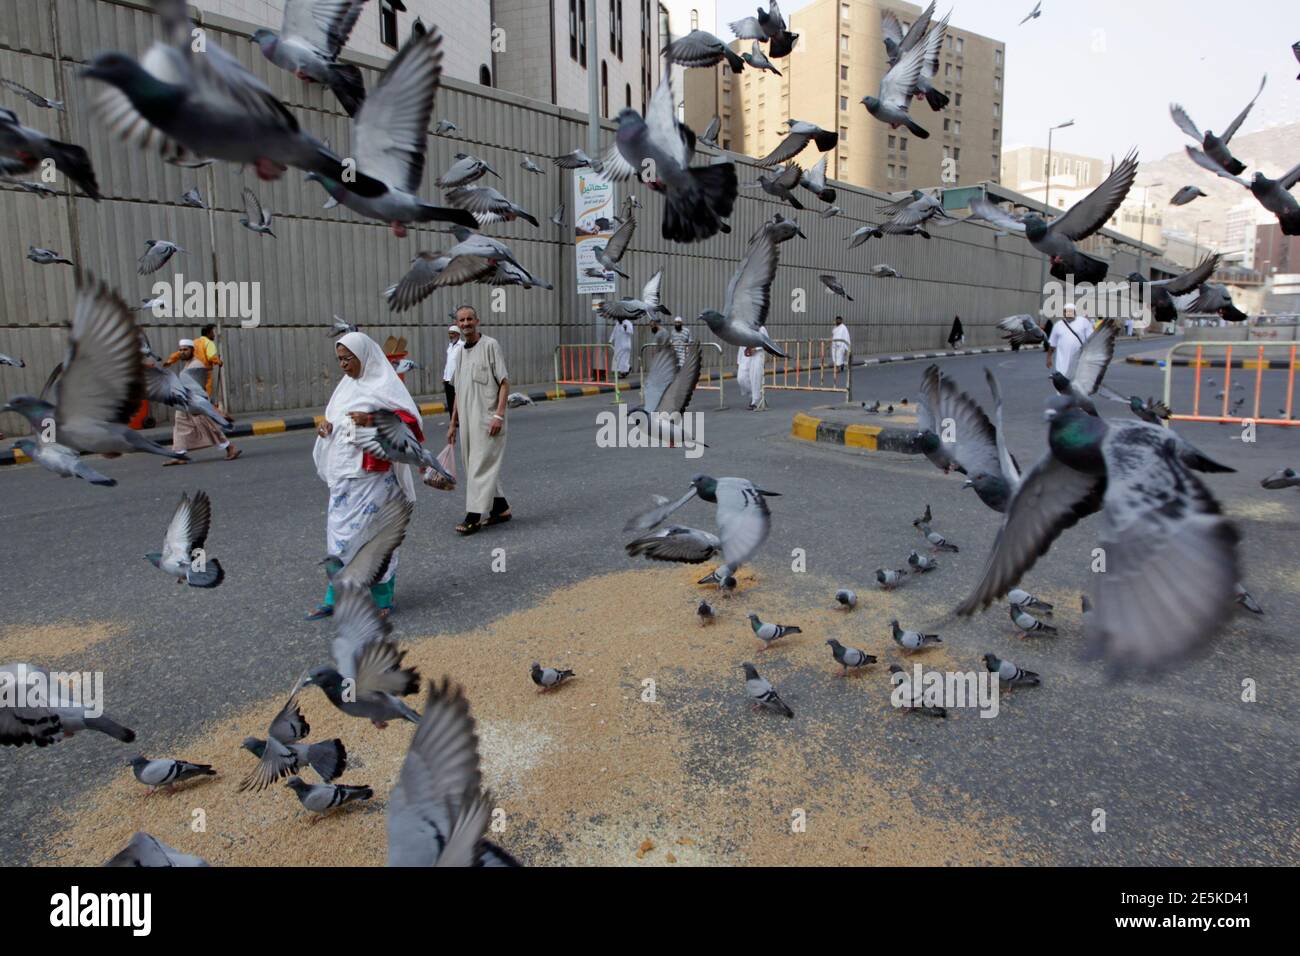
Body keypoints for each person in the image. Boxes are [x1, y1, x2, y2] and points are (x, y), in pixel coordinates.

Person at [308, 332, 422, 620]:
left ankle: (382, 599)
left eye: (349, 358)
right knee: (339, 540)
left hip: (376, 479)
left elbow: (411, 426)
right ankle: (336, 598)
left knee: (377, 539)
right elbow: (335, 419)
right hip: (344, 477)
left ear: (364, 356)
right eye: (340, 360)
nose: (344, 365)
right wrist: (326, 428)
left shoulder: (385, 385)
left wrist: (371, 420)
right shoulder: (344, 389)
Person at [448, 306, 511, 535]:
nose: (466, 323)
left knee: (478, 467)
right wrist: (453, 423)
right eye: (461, 320)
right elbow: (458, 391)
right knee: (473, 465)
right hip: (466, 421)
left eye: (469, 319)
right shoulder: (460, 353)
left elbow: (504, 382)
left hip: (488, 420)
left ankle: (473, 516)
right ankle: (501, 508)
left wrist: (499, 415)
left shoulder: (490, 346)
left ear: (477, 320)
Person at [162, 337, 240, 465]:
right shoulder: (188, 364)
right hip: (185, 402)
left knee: (207, 426)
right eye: (180, 350)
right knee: (180, 426)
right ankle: (179, 454)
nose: (182, 352)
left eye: (185, 350)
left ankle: (230, 448)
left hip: (195, 403)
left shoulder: (196, 365)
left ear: (192, 350)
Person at [1045, 302, 1093, 375]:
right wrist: (1049, 358)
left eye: (1071, 311)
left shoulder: (1083, 322)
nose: (1069, 314)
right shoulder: (1058, 325)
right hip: (1062, 364)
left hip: (1079, 360)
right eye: (1066, 311)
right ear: (1063, 313)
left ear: (1075, 312)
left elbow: (1091, 339)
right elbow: (1052, 344)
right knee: (1063, 381)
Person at [192, 323, 223, 397]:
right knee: (207, 392)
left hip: (193, 371)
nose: (214, 335)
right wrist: (219, 362)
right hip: (205, 372)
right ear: (208, 333)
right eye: (213, 333)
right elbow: (211, 357)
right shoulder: (209, 343)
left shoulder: (194, 342)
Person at [442, 323, 461, 418]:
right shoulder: (450, 346)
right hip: (448, 378)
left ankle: (459, 419)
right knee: (450, 400)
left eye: (452, 333)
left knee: (457, 400)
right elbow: (448, 363)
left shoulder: (462, 345)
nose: (450, 335)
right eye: (449, 333)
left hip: (457, 378)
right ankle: (452, 419)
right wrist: (444, 377)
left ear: (458, 334)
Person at [738, 345, 764, 411]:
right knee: (741, 378)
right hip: (745, 354)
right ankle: (754, 395)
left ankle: (755, 401)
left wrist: (756, 348)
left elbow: (765, 340)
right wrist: (738, 361)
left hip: (757, 354)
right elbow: (741, 345)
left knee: (755, 377)